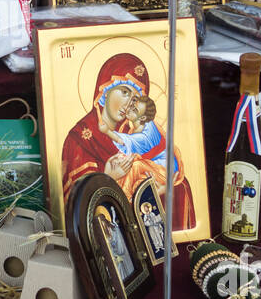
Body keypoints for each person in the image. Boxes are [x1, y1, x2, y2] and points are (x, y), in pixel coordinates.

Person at [60, 53, 194, 233]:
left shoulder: (134, 132)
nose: (128, 103)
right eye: (124, 92)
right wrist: (108, 177)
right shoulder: (80, 139)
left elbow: (172, 180)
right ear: (105, 89)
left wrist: (163, 189)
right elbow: (73, 203)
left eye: (135, 98)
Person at [93, 205, 135, 280]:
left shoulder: (112, 231)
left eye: (103, 222)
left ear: (105, 220)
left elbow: (119, 248)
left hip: (118, 258)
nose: (102, 225)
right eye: (100, 224)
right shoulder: (98, 236)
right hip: (111, 260)